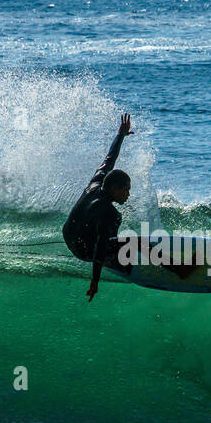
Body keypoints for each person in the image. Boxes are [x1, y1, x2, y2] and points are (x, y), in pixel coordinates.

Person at [63, 113, 134, 301]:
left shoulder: (97, 181)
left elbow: (110, 158)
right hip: (82, 249)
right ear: (114, 189)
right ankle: (180, 269)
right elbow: (101, 247)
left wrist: (120, 135)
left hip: (69, 235)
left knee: (114, 239)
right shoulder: (110, 213)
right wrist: (95, 281)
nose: (128, 194)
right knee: (133, 243)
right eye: (125, 190)